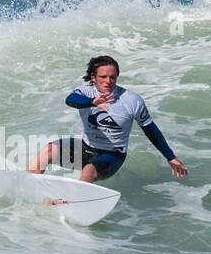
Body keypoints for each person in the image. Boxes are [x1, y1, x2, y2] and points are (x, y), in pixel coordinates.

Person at [27, 55, 189, 183]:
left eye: (112, 77)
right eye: (103, 77)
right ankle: (28, 184)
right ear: (93, 77)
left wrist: (170, 156)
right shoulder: (86, 92)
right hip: (85, 148)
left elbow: (150, 129)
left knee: (89, 170)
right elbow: (71, 100)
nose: (108, 81)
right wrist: (92, 102)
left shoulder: (132, 101)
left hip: (112, 156)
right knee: (48, 150)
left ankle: (72, 204)